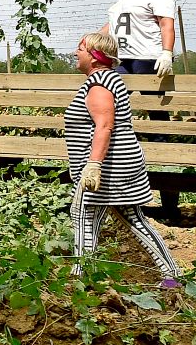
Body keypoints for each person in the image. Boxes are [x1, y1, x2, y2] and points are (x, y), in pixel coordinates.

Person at [64, 31, 182, 288]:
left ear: (95, 57)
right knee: (133, 218)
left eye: (80, 49)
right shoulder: (109, 79)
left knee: (83, 215)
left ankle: (80, 280)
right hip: (119, 163)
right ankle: (172, 277)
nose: (76, 53)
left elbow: (104, 126)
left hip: (108, 166)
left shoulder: (99, 86)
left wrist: (93, 165)